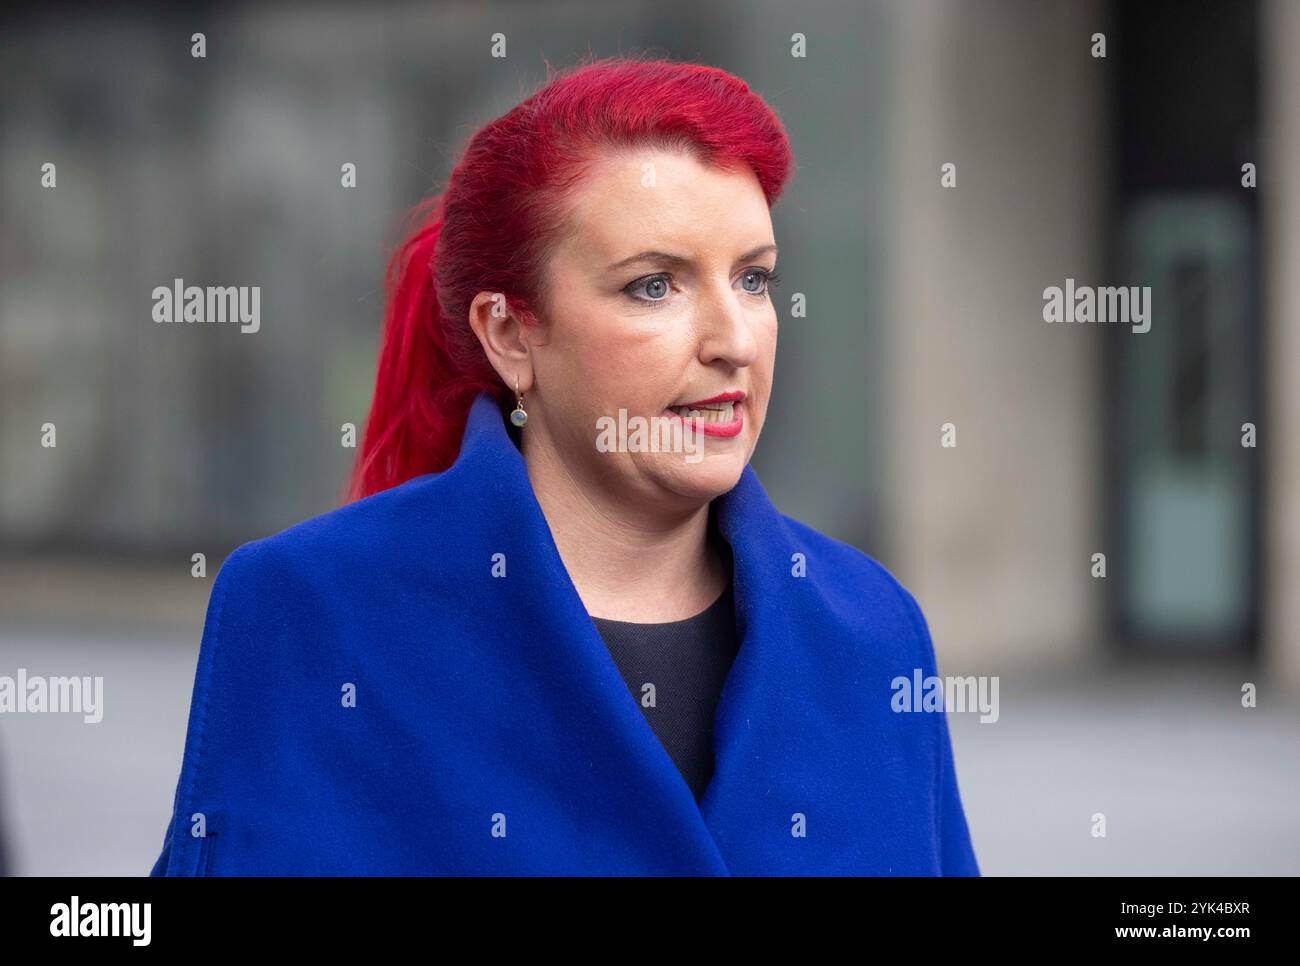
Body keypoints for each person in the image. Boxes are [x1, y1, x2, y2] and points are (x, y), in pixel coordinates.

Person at [150, 55, 979, 876]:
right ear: (511, 334)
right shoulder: (309, 611)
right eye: (654, 286)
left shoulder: (873, 629)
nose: (734, 340)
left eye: (753, 278)